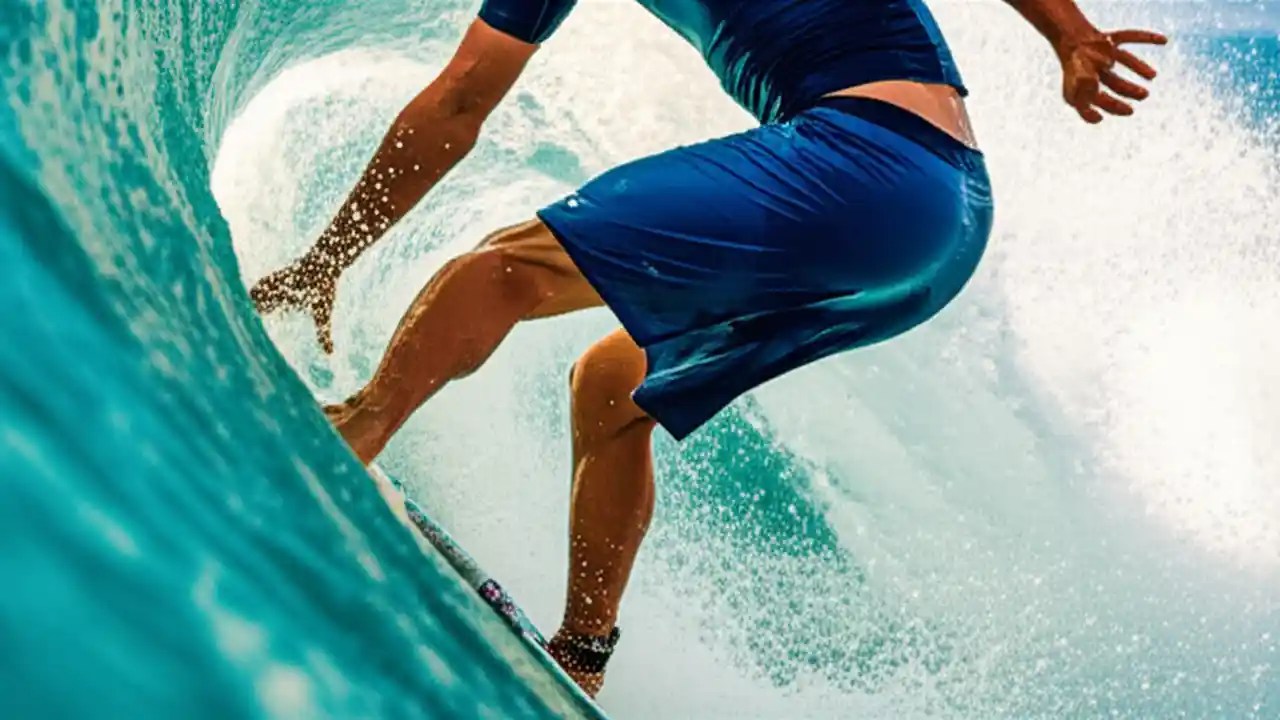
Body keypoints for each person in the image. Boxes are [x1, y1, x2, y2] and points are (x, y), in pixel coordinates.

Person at [250, 0, 1165, 697]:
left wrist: (1070, 35)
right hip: (944, 222)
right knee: (613, 386)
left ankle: (355, 432)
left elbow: (457, 101)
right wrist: (325, 262)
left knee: (502, 269)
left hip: (870, 164)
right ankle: (582, 655)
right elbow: (459, 101)